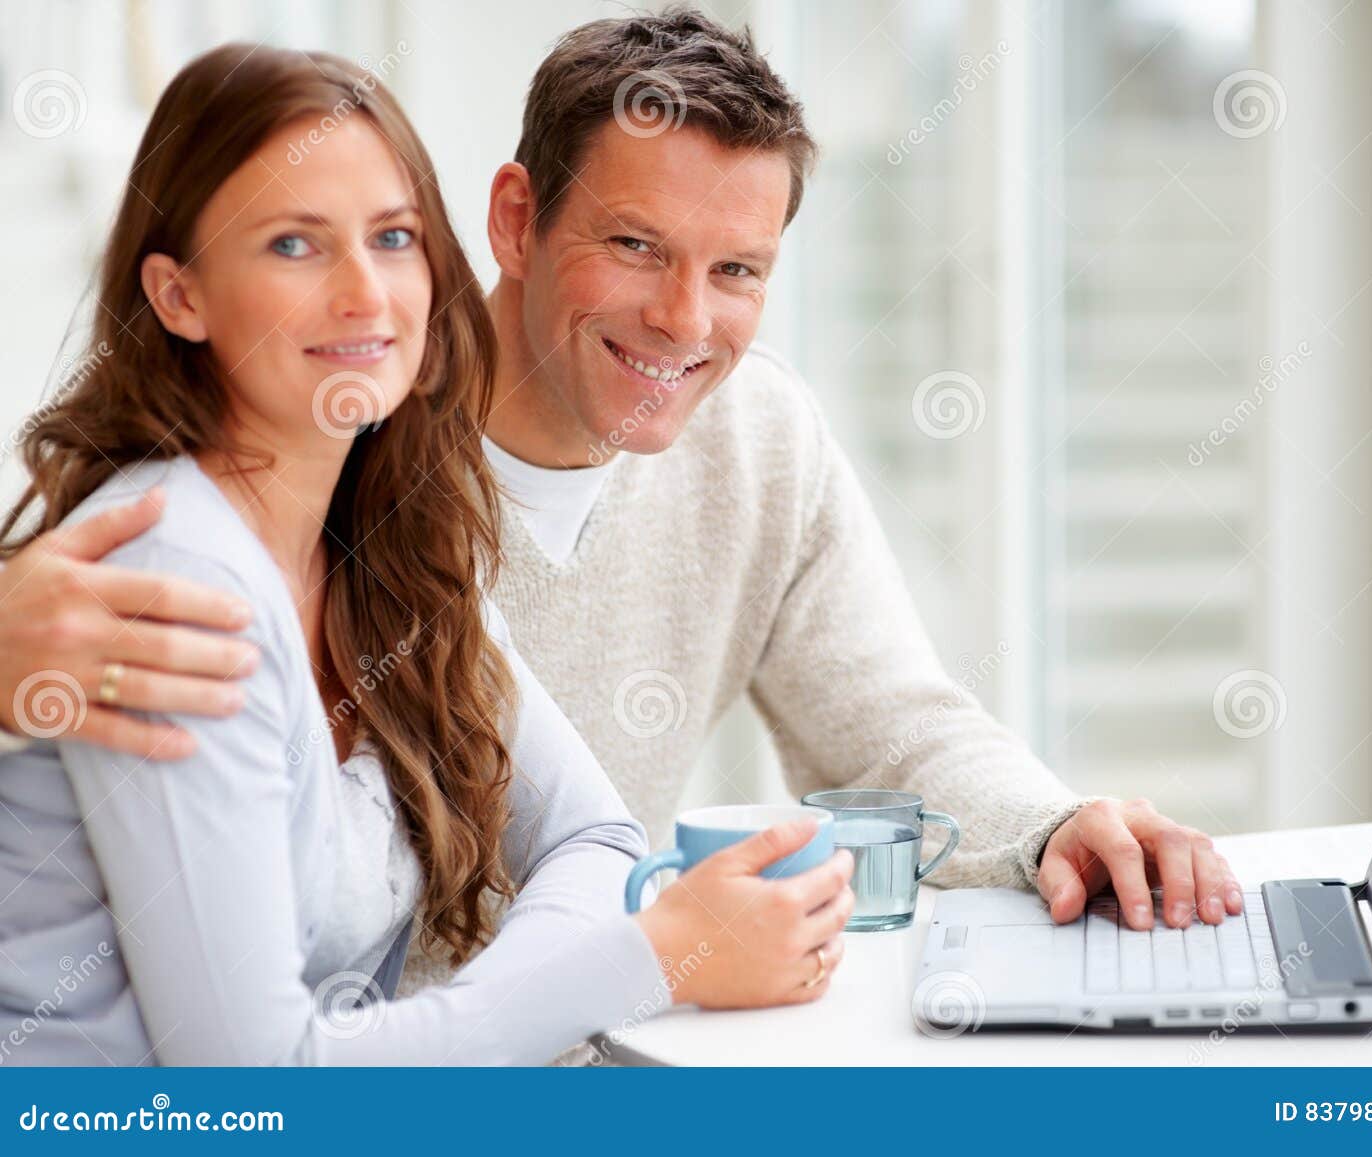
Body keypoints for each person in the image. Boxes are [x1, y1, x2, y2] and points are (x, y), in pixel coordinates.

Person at [0, 9, 1243, 1003]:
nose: (684, 322)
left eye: (737, 270)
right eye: (637, 247)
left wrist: (1054, 827)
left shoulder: (757, 439)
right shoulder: (345, 445)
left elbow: (887, 724)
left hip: (589, 1034)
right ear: (511, 221)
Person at [0, 43, 853, 1066]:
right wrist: (645, 959)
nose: (366, 293)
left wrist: (516, 1004)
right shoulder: (175, 578)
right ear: (180, 297)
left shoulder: (388, 540)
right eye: (292, 245)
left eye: (393, 237)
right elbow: (262, 1088)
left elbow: (595, 837)